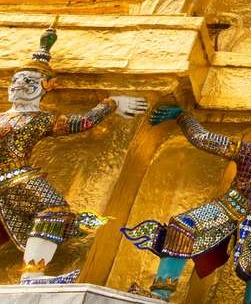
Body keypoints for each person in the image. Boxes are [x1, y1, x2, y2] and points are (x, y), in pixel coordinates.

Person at [121, 72, 251, 303]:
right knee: (183, 226)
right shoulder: (245, 149)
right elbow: (202, 138)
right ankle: (160, 293)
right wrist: (182, 116)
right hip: (230, 205)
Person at [0, 27, 146, 283]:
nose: (20, 85)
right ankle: (33, 274)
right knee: (53, 209)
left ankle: (33, 273)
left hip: (17, 177)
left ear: (45, 87)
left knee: (53, 210)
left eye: (29, 82)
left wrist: (110, 103)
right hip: (15, 177)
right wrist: (111, 102)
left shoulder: (40, 119)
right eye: (17, 81)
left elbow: (82, 123)